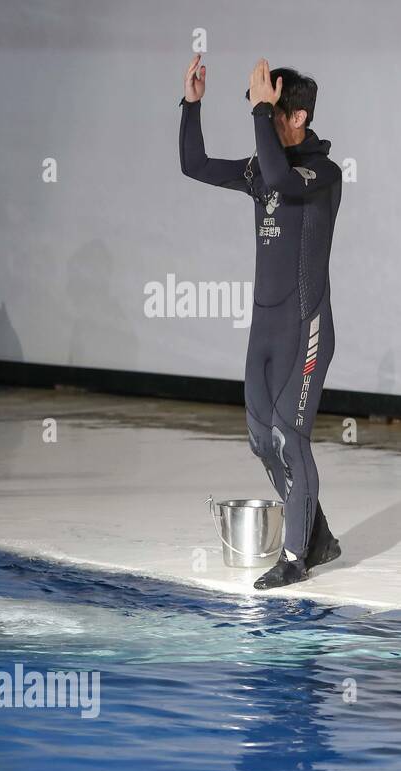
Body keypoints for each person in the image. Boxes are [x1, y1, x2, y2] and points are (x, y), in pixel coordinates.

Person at [179, 54, 343, 590]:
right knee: (259, 437)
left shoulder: (321, 174)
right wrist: (192, 105)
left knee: (289, 435)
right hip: (264, 328)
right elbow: (194, 164)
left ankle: (296, 558)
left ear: (298, 117)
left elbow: (280, 177)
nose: (265, 121)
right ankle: (315, 532)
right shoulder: (262, 168)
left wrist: (258, 111)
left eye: (274, 113)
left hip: (305, 325)